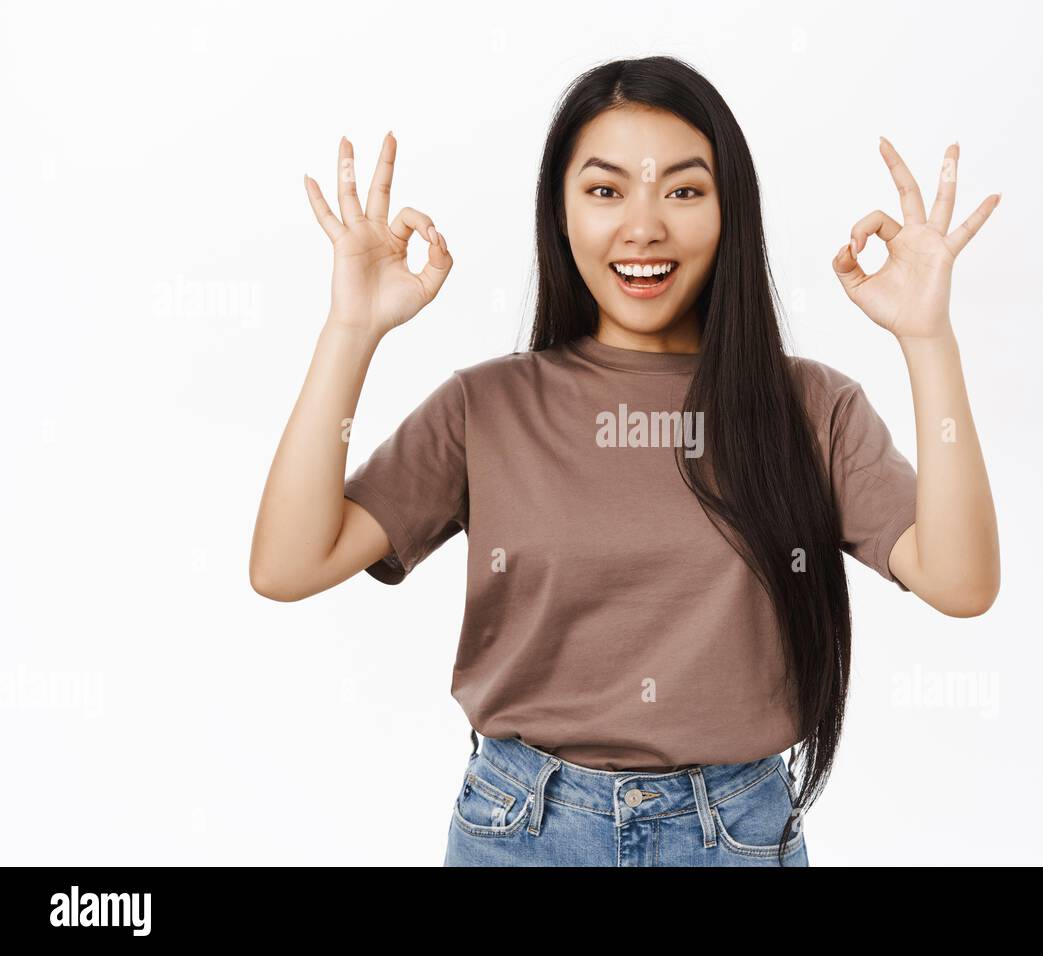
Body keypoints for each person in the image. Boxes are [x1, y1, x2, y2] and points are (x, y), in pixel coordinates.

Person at [249, 55, 1001, 867]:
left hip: (735, 835)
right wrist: (350, 330)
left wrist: (928, 339)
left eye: (683, 190)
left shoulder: (810, 407)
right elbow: (289, 565)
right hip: (520, 832)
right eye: (606, 191)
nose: (643, 228)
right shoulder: (486, 407)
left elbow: (961, 583)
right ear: (561, 213)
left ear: (729, 214)